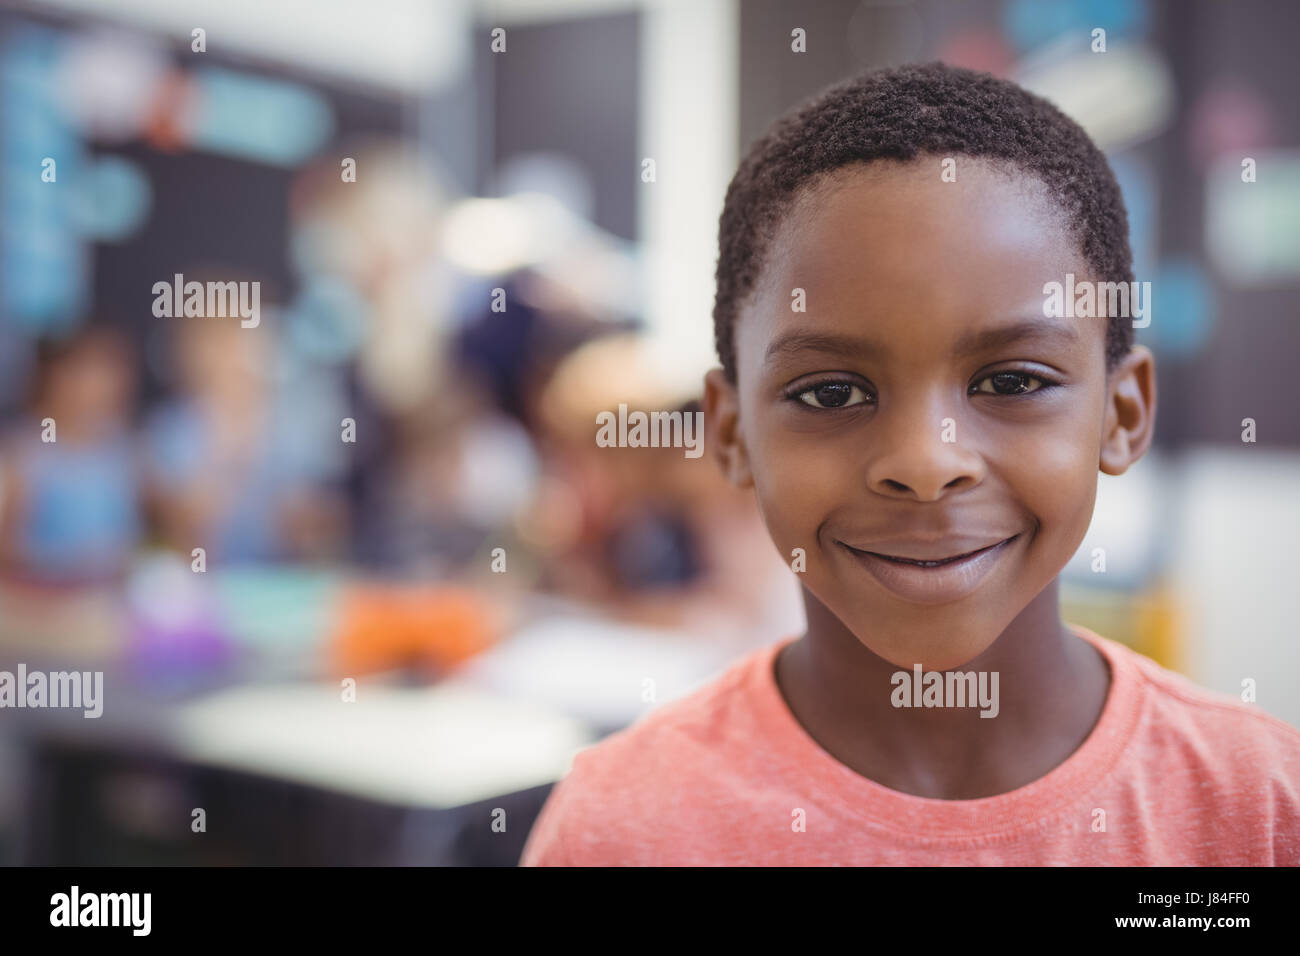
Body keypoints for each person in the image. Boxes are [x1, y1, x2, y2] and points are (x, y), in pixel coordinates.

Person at [520, 62, 1300, 865]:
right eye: (829, 394)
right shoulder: (621, 828)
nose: (926, 463)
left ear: (1122, 413)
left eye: (1012, 381)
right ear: (731, 434)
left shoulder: (1263, 813)